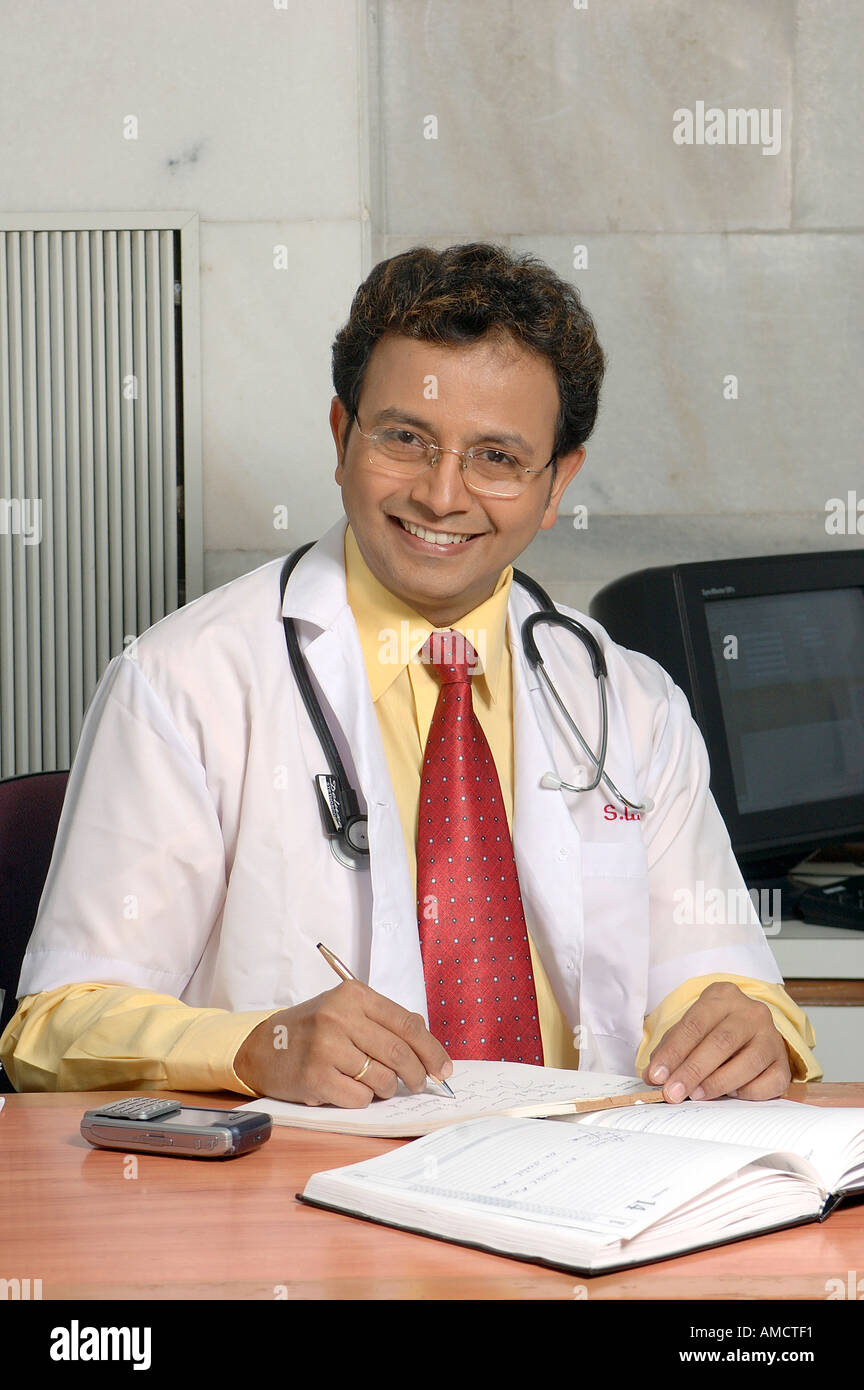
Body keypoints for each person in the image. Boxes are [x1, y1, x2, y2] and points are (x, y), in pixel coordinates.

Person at [0, 243, 820, 1104]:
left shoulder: (632, 703)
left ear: (557, 483)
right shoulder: (181, 683)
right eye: (406, 438)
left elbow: (725, 982)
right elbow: (57, 1024)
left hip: (580, 1194)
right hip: (300, 1204)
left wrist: (743, 1028)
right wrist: (254, 1046)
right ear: (341, 434)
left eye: (497, 458)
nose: (441, 494)